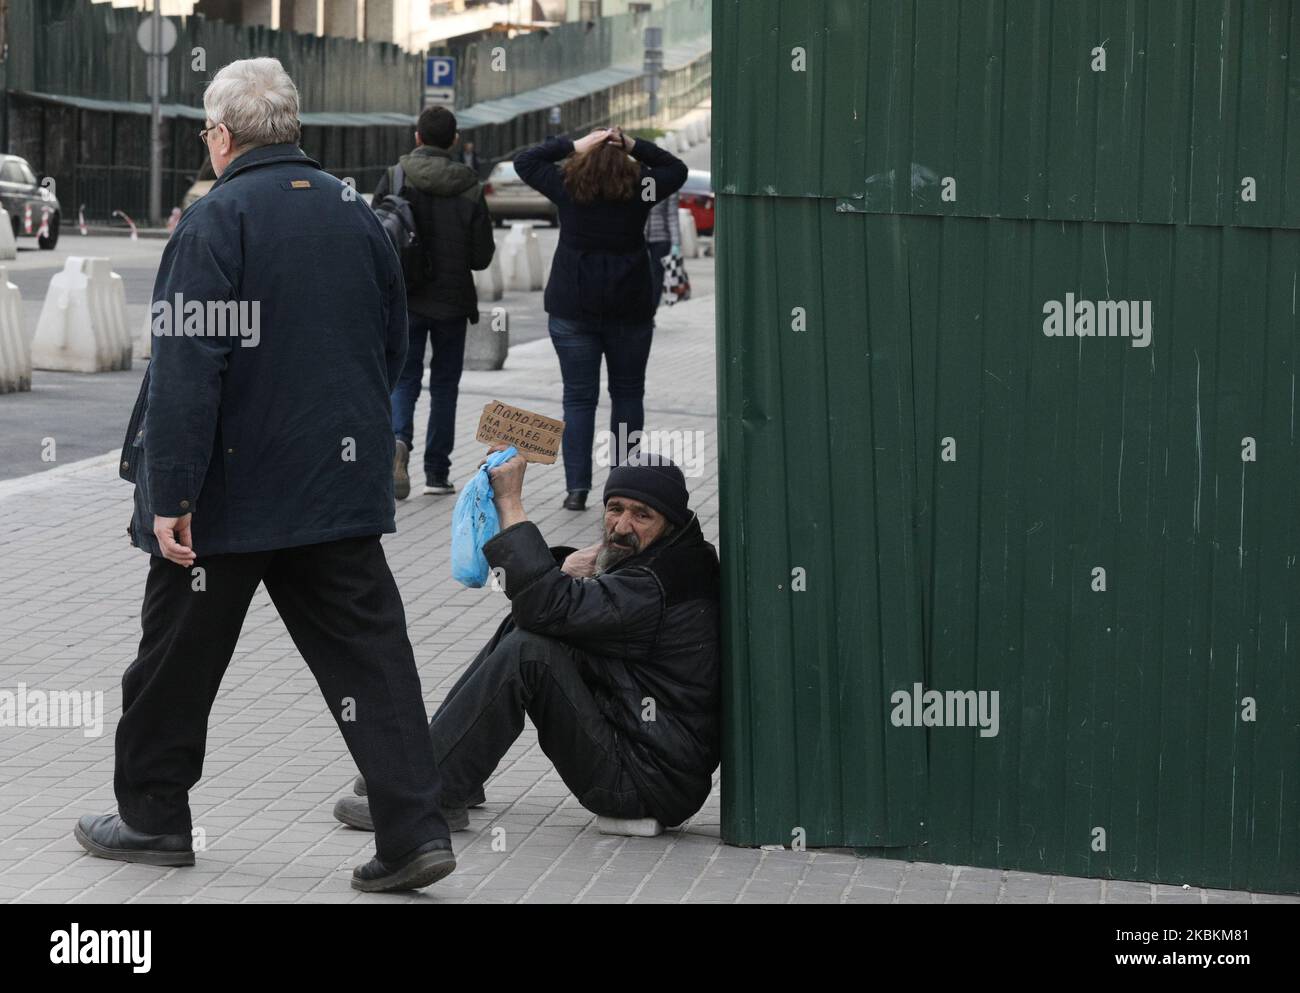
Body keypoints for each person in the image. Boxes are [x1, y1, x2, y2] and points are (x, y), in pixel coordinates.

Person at [75, 58, 457, 893]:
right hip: (338, 489)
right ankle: (415, 831)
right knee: (374, 664)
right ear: (291, 128)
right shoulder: (356, 215)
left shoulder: (216, 220)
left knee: (175, 661)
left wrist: (168, 493)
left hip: (229, 497)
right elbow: (391, 345)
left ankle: (153, 818)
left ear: (221, 136)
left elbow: (186, 369)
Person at [332, 451, 721, 835]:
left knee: (530, 651)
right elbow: (550, 609)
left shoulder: (655, 583)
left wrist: (510, 501)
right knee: (529, 626)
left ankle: (428, 801)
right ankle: (432, 766)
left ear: (670, 523)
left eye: (641, 515)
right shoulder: (672, 557)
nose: (621, 526)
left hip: (643, 784)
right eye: (615, 508)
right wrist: (562, 569)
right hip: (643, 753)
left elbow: (548, 606)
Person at [514, 127, 688, 511]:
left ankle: (577, 489)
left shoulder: (568, 186)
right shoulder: (641, 188)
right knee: (627, 395)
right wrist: (633, 145)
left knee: (578, 399)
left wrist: (574, 145)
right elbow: (677, 169)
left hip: (572, 307)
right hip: (629, 307)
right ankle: (623, 485)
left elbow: (524, 161)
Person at [373, 106, 495, 499]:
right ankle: (437, 473)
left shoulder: (395, 177)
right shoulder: (471, 185)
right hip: (452, 303)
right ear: (454, 141)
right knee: (445, 385)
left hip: (405, 299)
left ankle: (397, 441)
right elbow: (481, 256)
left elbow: (373, 237)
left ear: (417, 138)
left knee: (404, 378)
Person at [644, 190, 681, 315]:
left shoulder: (670, 182)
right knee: (640, 275)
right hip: (639, 235)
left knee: (657, 277)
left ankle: (650, 312)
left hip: (662, 238)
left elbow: (672, 215)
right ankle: (640, 310)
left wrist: (676, 242)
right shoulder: (640, 177)